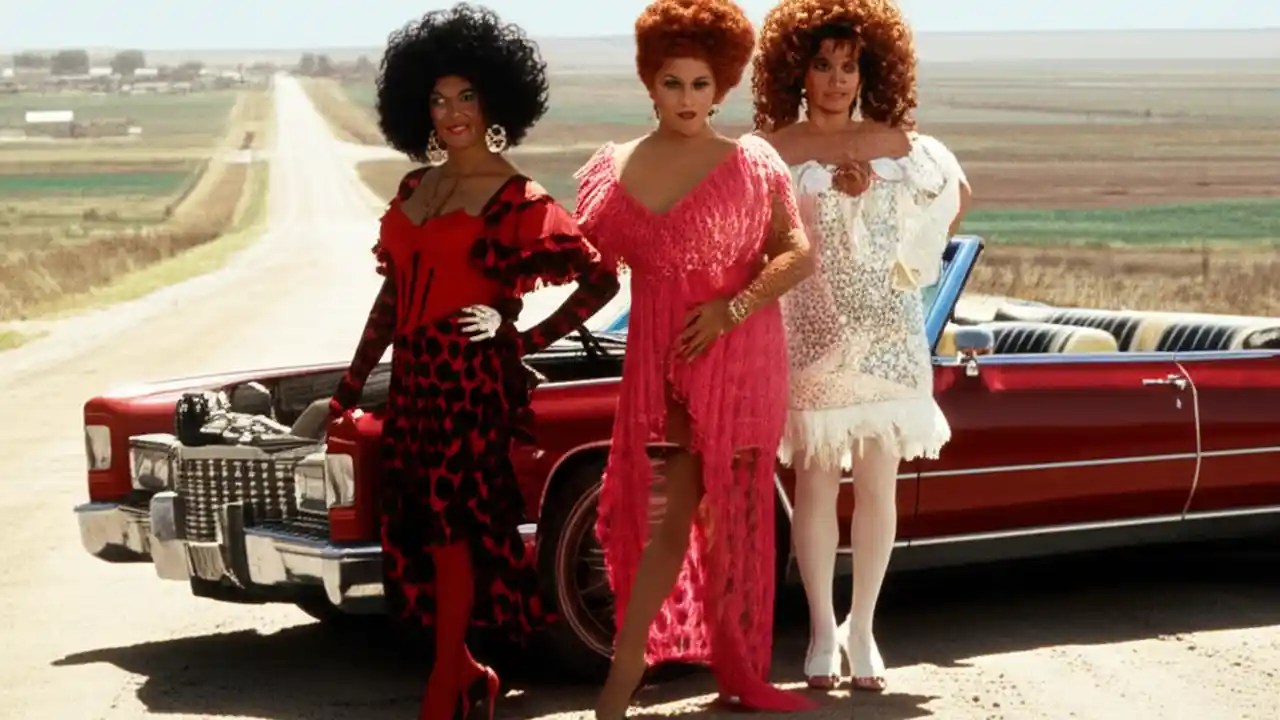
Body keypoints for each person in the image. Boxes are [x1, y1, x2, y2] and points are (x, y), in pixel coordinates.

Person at [326, 5, 620, 718]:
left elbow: (601, 279)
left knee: (456, 527)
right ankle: (465, 670)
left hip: (470, 381)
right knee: (420, 531)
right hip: (416, 381)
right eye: (437, 98)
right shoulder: (413, 191)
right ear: (418, 107)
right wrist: (352, 382)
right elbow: (393, 302)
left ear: (493, 101)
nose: (451, 112)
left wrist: (516, 337)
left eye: (465, 96)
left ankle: (441, 688)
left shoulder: (517, 198)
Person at [575, 1, 819, 717]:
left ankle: (738, 674)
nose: (687, 99)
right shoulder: (609, 169)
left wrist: (731, 309)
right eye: (673, 83)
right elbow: (592, 270)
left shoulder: (753, 161)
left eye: (701, 85)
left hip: (742, 355)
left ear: (723, 88)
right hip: (663, 367)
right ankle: (627, 671)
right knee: (676, 514)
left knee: (737, 524)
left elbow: (798, 254)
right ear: (650, 83)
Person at [751, 0, 972, 694]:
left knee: (879, 484)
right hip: (811, 340)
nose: (837, 79)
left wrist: (889, 209)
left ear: (871, 68)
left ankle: (865, 628)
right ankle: (822, 631)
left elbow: (953, 202)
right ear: (797, 69)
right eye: (822, 64)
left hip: (889, 338)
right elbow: (749, 239)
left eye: (850, 65)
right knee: (815, 483)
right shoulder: (771, 151)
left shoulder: (903, 146)